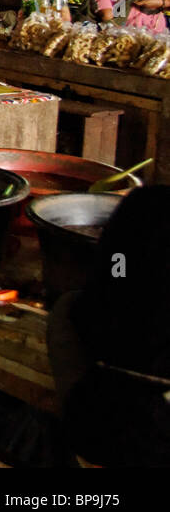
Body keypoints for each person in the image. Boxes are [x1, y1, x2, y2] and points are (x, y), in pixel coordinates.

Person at [47, 186, 170, 465]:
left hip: (101, 428)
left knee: (69, 306)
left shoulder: (143, 205)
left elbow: (113, 276)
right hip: (136, 429)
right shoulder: (146, 207)